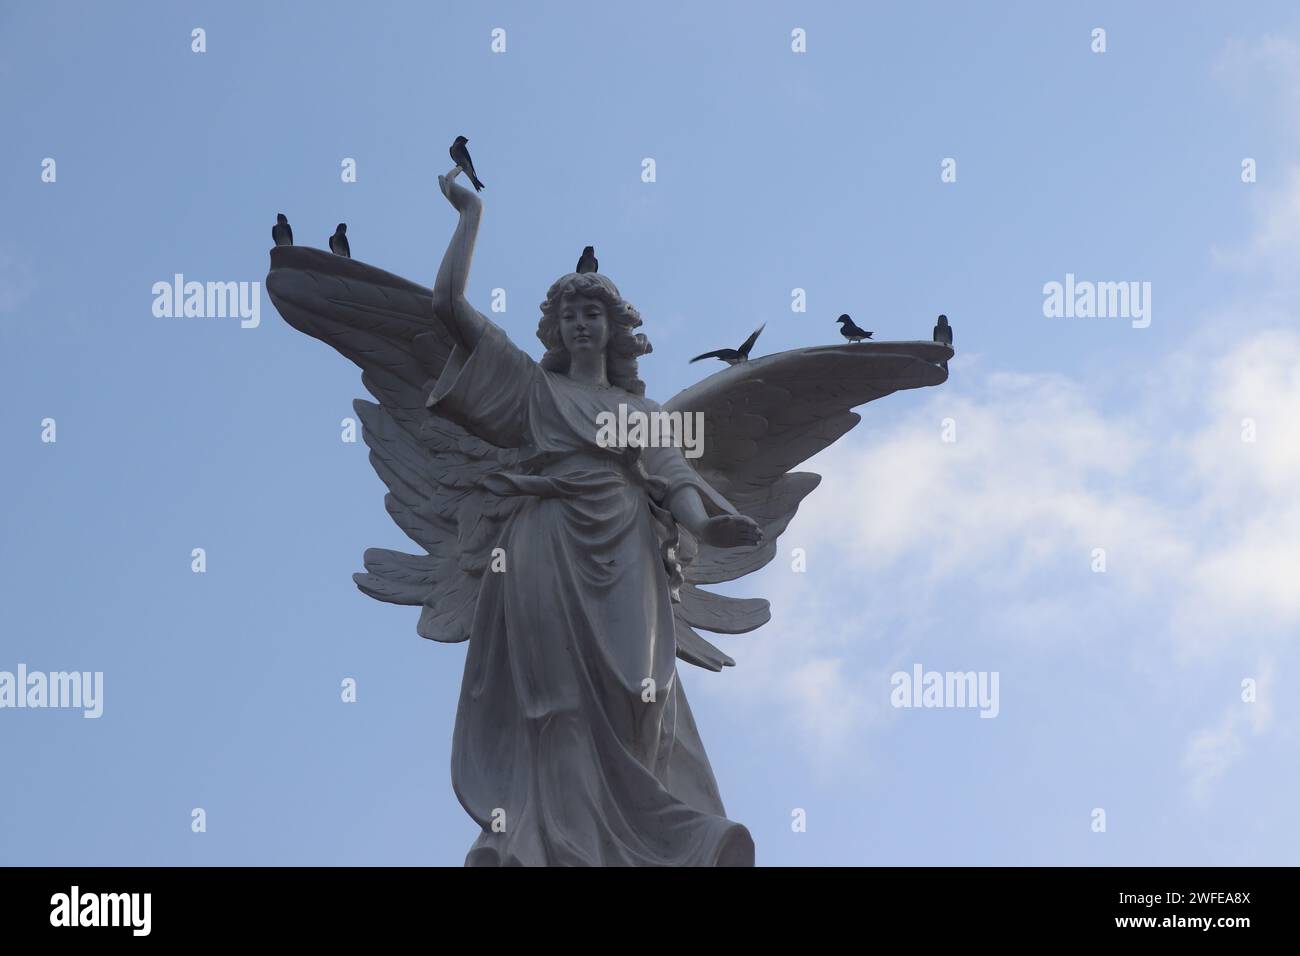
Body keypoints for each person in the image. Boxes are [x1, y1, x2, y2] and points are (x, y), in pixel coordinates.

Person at [430, 169, 762, 866]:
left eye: (595, 315)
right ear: (556, 327)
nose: (583, 324)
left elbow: (673, 483)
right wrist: (469, 217)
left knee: (638, 699)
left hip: (627, 549)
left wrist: (706, 528)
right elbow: (448, 307)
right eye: (571, 315)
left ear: (614, 331)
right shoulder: (531, 389)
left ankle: (652, 842)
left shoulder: (641, 414)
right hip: (544, 544)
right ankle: (546, 842)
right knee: (554, 705)